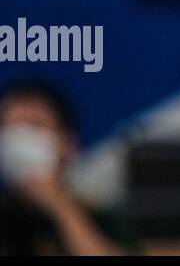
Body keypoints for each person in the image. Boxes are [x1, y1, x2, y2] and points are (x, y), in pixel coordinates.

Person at [0, 80, 134, 255]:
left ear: (68, 144)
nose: (20, 138)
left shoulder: (105, 214)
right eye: (9, 127)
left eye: (34, 125)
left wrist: (57, 202)